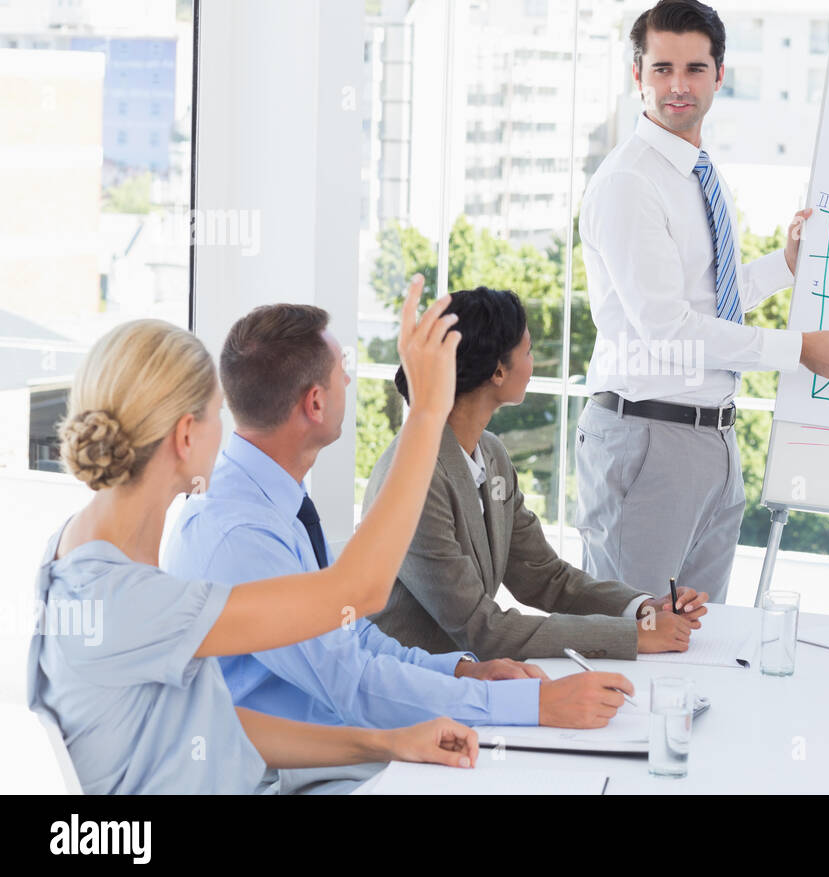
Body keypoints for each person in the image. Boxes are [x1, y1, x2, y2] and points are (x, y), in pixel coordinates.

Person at [28, 281, 486, 794]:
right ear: (185, 436)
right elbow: (359, 592)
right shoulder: (126, 601)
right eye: (218, 413)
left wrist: (387, 742)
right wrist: (426, 413)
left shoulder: (79, 553)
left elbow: (211, 726)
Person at [165, 299, 636, 735]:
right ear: (314, 402)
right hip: (282, 776)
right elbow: (350, 681)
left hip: (344, 739)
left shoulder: (278, 504)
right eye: (340, 372)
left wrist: (462, 670)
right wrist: (528, 705)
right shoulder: (239, 535)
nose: (349, 382)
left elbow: (353, 637)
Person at [576, 0, 829, 601]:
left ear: (719, 74)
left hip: (713, 438)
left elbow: (709, 297)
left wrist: (784, 267)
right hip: (648, 436)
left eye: (694, 68)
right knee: (638, 637)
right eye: (662, 68)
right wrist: (799, 351)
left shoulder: (696, 171)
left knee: (698, 641)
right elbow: (669, 329)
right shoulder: (630, 183)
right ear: (637, 75)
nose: (678, 86)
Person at [366, 286, 708, 662]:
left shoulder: (490, 452)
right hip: (411, 683)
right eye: (527, 352)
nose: (534, 363)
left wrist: (641, 609)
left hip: (472, 672)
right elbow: (484, 630)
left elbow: (545, 577)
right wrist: (632, 636)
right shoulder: (414, 476)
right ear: (498, 370)